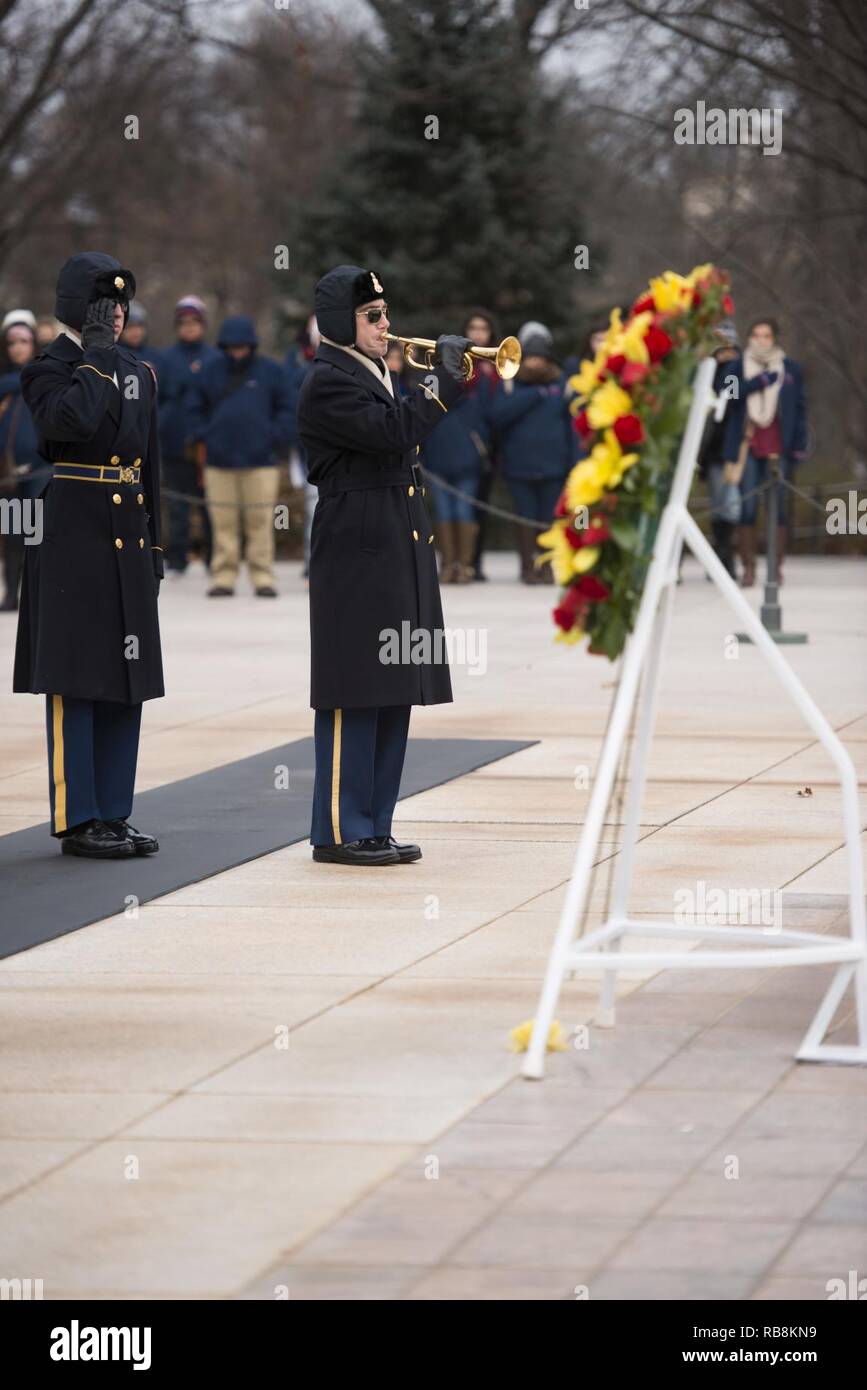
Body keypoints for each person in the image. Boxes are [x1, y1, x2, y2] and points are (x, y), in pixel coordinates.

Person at [297, 263, 470, 866]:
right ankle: (342, 830)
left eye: (385, 314)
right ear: (344, 322)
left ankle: (376, 823)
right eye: (373, 316)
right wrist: (442, 385)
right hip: (356, 542)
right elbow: (393, 433)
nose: (385, 325)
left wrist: (435, 387)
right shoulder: (328, 380)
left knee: (393, 686)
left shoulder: (373, 370)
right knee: (354, 688)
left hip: (393, 536)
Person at [13, 251, 164, 858]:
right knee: (77, 677)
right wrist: (96, 353)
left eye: (122, 303)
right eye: (107, 303)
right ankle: (80, 817)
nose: (119, 312)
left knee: (126, 678)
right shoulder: (49, 368)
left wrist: (156, 547)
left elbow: (146, 460)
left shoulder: (140, 370)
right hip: (73, 532)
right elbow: (66, 425)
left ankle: (114, 810)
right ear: (81, 308)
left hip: (127, 529)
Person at [187, 314, 291, 597]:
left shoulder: (270, 370)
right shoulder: (210, 370)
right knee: (223, 523)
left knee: (259, 522)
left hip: (261, 461)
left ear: (252, 345)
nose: (237, 351)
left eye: (242, 346)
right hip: (218, 462)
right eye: (232, 346)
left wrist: (275, 435)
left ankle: (263, 576)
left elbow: (286, 407)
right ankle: (223, 576)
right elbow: (193, 407)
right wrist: (204, 434)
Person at [723, 317, 807, 586]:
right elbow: (729, 395)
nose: (761, 340)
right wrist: (758, 382)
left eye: (766, 335)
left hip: (778, 446)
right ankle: (748, 567)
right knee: (747, 508)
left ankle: (776, 568)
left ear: (774, 338)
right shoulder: (736, 367)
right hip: (747, 445)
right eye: (756, 335)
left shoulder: (789, 369)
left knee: (778, 509)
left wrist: (799, 444)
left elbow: (801, 408)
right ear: (749, 338)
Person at [490, 325, 572, 584]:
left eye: (540, 358)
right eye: (531, 358)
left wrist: (572, 461)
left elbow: (572, 427)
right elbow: (497, 417)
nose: (535, 363)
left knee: (548, 518)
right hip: (519, 465)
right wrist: (534, 395)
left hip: (554, 464)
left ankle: (546, 566)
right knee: (523, 517)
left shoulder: (562, 385)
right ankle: (527, 567)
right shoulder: (511, 385)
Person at [420, 315, 494, 584]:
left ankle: (464, 565)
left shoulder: (479, 383)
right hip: (440, 456)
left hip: (467, 457)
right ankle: (449, 564)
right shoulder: (434, 381)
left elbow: (487, 416)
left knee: (463, 511)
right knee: (444, 512)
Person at [157, 295, 220, 576]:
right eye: (184, 323)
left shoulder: (215, 358)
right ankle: (177, 559)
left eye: (195, 322)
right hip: (174, 443)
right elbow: (158, 400)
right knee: (178, 505)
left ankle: (213, 559)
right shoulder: (165, 358)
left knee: (210, 505)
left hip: (206, 445)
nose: (190, 327)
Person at [0, 312, 42, 612]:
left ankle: (35, 595)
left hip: (39, 469)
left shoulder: (43, 377)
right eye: (12, 342)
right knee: (12, 533)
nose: (17, 347)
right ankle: (11, 593)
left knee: (35, 536)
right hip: (9, 472)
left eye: (24, 341)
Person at [698, 322, 741, 580]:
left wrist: (727, 368)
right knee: (718, 504)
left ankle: (726, 559)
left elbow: (731, 401)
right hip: (712, 446)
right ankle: (719, 558)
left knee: (730, 505)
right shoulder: (707, 369)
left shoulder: (734, 370)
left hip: (731, 445)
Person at [461, 309, 499, 581]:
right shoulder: (462, 364)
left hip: (489, 444)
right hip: (464, 444)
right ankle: (464, 562)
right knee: (465, 504)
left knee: (482, 504)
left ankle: (477, 560)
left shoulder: (497, 367)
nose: (477, 333)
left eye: (483, 328)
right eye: (473, 327)